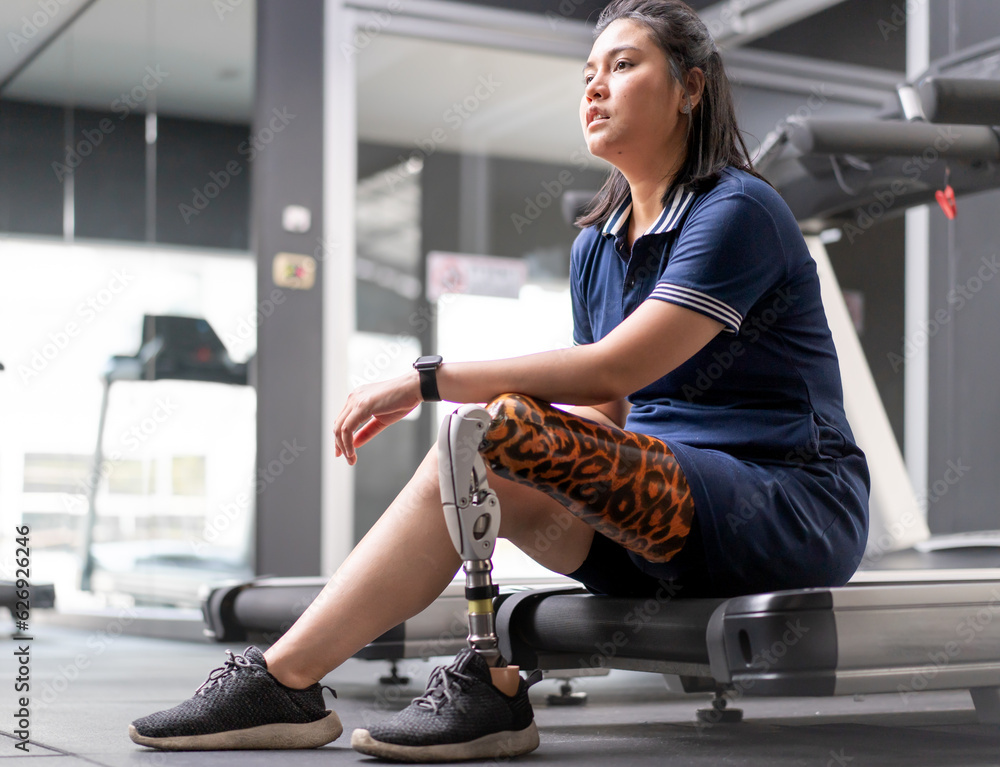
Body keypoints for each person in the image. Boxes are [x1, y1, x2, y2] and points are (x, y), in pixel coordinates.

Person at [128, 0, 869, 760]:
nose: (595, 87)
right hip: (661, 517)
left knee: (497, 424)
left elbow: (617, 364)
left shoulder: (738, 209)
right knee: (482, 443)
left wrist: (429, 380)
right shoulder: (598, 244)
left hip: (783, 503)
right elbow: (607, 409)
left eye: (622, 65)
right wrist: (520, 462)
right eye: (587, 73)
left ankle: (332, 677)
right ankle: (345, 681)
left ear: (692, 88)